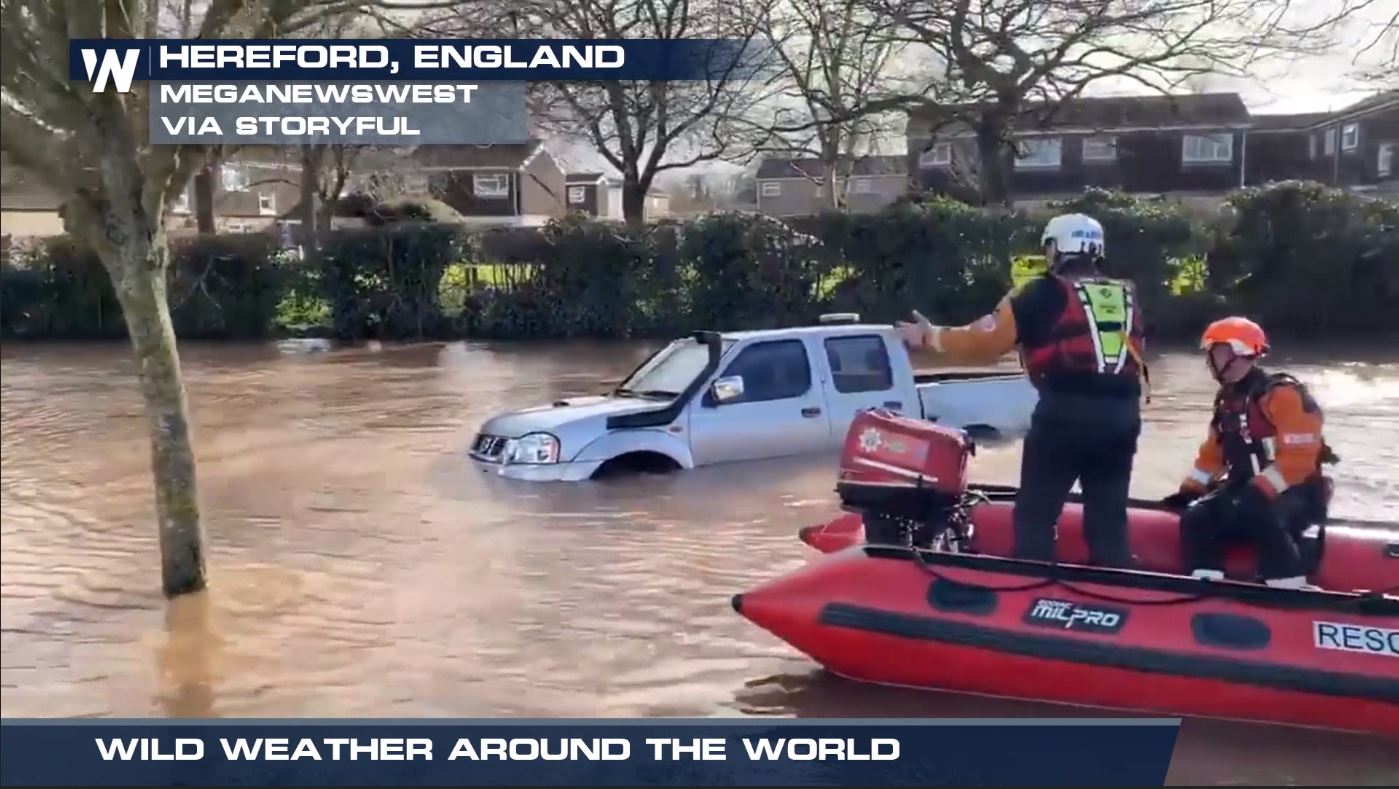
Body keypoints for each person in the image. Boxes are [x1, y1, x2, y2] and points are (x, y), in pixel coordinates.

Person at [894, 213, 1147, 568]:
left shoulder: (1041, 293)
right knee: (1107, 514)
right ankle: (1117, 588)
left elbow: (985, 342)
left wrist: (929, 337)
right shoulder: (1127, 294)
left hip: (1066, 414)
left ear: (1057, 248)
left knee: (1036, 513)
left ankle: (1032, 585)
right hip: (1123, 417)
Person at [1161, 317, 1338, 589]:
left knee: (1259, 511)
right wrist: (1190, 489)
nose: (1209, 360)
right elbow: (1213, 454)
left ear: (1239, 353)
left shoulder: (1282, 395)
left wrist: (1260, 490)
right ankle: (1207, 584)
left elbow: (1300, 458)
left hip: (1297, 493)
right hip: (1248, 488)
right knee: (1197, 516)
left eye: (1216, 352)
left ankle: (1289, 587)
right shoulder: (1228, 400)